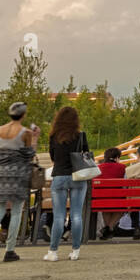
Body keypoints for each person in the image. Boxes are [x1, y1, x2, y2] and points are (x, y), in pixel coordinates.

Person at [0, 103, 39, 265]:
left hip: (2, 173)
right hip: (18, 173)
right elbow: (29, 155)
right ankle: (9, 250)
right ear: (23, 115)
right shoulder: (25, 132)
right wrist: (35, 138)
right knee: (17, 211)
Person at [45, 106, 90, 262]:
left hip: (59, 176)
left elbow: (52, 157)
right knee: (77, 215)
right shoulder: (81, 136)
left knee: (59, 216)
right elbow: (86, 156)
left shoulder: (54, 136)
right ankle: (75, 250)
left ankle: (53, 252)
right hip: (78, 177)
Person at [95, 147, 128, 240]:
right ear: (117, 157)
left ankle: (107, 229)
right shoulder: (123, 167)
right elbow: (126, 185)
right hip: (119, 199)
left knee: (106, 207)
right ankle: (109, 228)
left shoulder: (98, 168)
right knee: (121, 208)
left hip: (100, 200)